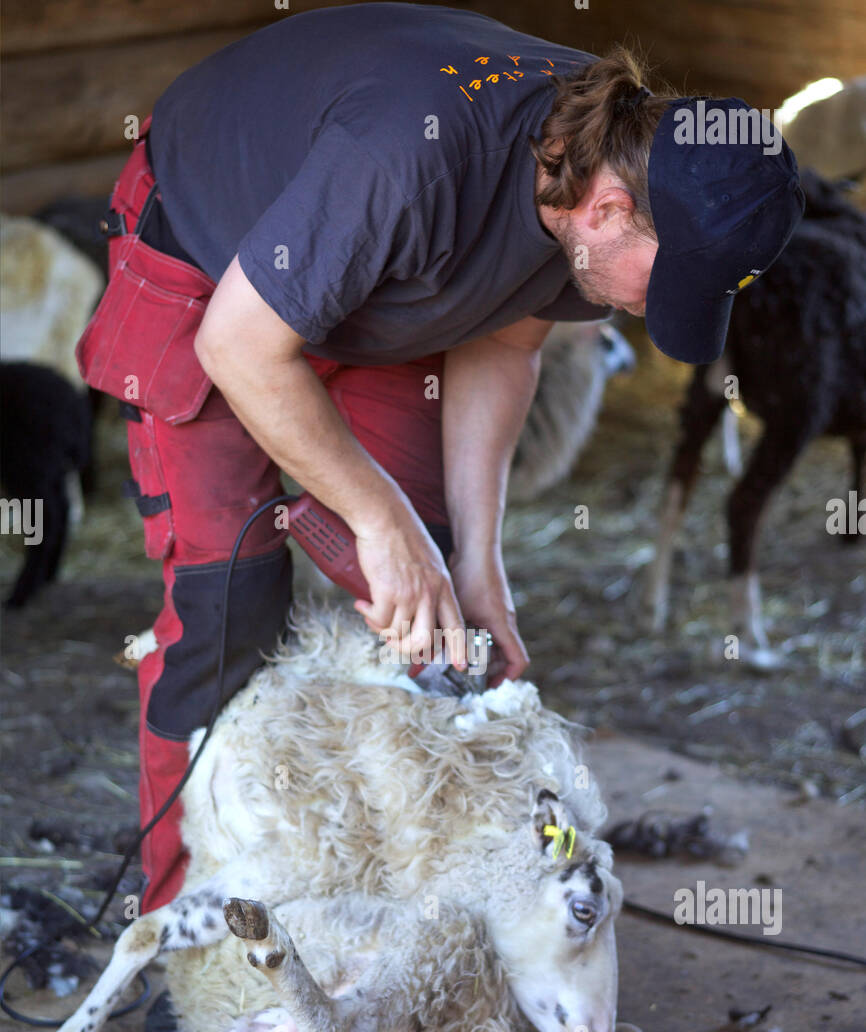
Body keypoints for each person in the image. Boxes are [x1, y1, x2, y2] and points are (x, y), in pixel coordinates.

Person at [76, 4, 804, 912]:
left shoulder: (594, 179)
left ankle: (378, 909)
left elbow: (503, 348)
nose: (648, 315)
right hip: (213, 269)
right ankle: (188, 932)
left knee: (436, 625)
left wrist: (475, 558)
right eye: (666, 280)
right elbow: (242, 347)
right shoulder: (411, 155)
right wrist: (381, 520)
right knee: (227, 609)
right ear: (609, 209)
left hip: (371, 285)